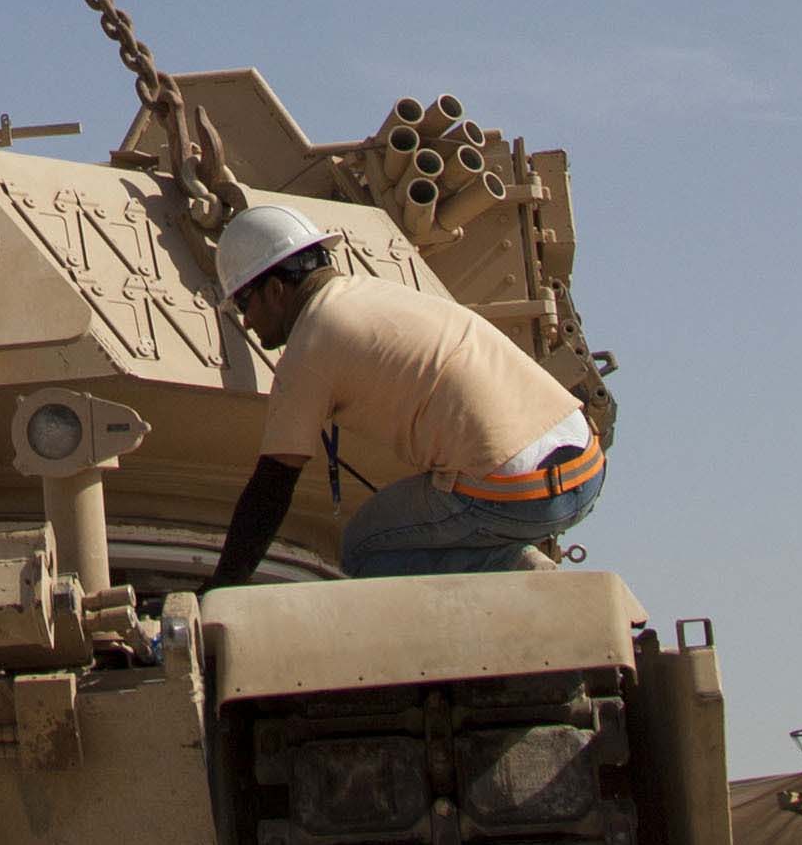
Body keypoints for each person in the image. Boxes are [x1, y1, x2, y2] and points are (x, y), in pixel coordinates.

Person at [202, 199, 606, 583]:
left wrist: (221, 587)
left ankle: (509, 583)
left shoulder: (308, 348)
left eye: (243, 303)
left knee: (365, 546)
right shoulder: (374, 292)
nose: (246, 322)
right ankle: (522, 572)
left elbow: (271, 488)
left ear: (275, 290)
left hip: (521, 493)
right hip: (585, 469)